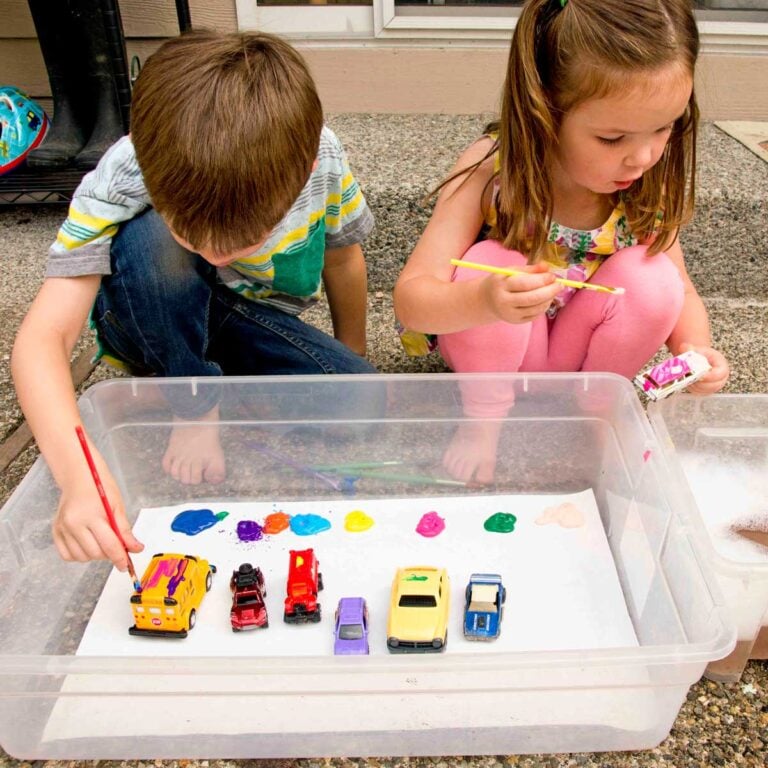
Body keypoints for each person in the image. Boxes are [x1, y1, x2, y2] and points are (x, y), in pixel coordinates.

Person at [11, 30, 376, 570]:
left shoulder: (320, 157)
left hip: (245, 319)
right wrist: (80, 478)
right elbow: (42, 339)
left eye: (246, 240)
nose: (220, 256)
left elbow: (344, 259)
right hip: (149, 310)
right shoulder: (127, 169)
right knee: (159, 244)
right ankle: (194, 401)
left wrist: (356, 356)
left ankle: (208, 388)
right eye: (199, 237)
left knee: (360, 404)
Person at [393, 0, 729, 485]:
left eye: (665, 126)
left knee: (654, 278)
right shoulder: (494, 170)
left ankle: (599, 416)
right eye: (612, 138)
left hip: (582, 364)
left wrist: (696, 352)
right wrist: (483, 299)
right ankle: (482, 421)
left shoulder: (646, 184)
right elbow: (412, 300)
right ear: (542, 111)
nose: (644, 156)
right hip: (499, 353)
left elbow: (683, 293)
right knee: (494, 259)